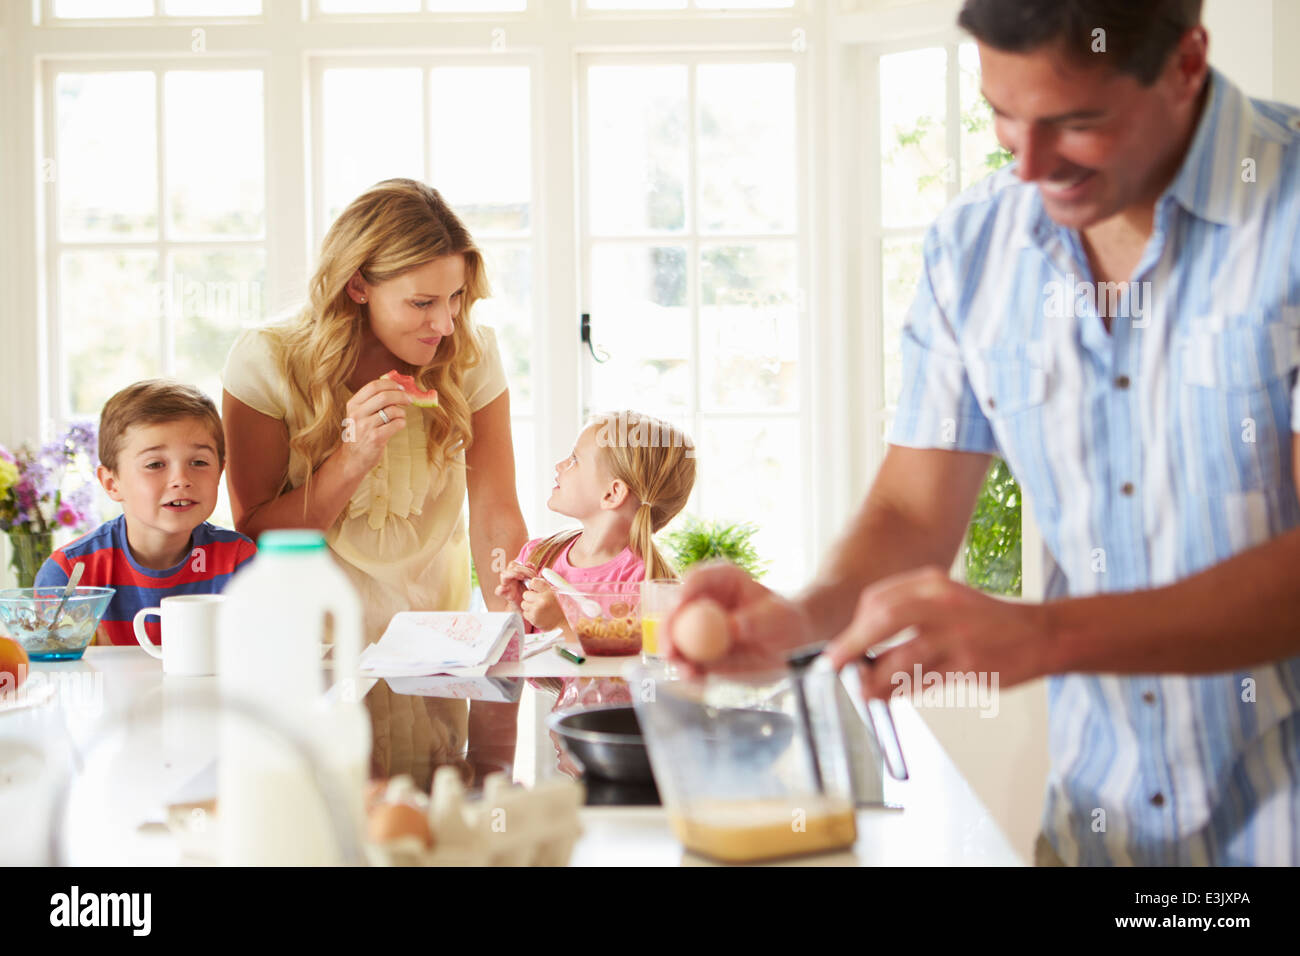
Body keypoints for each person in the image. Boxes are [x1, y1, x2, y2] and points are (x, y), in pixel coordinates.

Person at [668, 0, 1300, 866]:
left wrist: (1045, 635)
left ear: (1187, 62)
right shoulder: (977, 243)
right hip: (1095, 836)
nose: (1029, 164)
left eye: (1076, 122)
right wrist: (802, 620)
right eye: (1003, 115)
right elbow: (912, 511)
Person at [221, 179, 528, 789]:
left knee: (435, 827)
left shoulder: (470, 353)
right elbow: (257, 532)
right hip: (317, 660)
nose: (444, 322)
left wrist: (510, 633)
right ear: (358, 284)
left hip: (437, 653)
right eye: (421, 303)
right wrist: (351, 457)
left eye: (457, 297)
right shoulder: (265, 360)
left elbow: (496, 509)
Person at [497, 410, 695, 716]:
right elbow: (515, 655)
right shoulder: (539, 555)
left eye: (574, 460)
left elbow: (636, 674)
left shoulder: (645, 582)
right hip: (553, 718)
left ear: (612, 493)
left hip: (614, 725)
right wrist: (515, 606)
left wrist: (562, 623)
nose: (560, 465)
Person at [35, 380, 256, 646]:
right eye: (155, 464)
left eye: (199, 462)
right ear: (111, 484)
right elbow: (57, 675)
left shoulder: (241, 562)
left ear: (220, 472)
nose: (181, 479)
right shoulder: (68, 574)